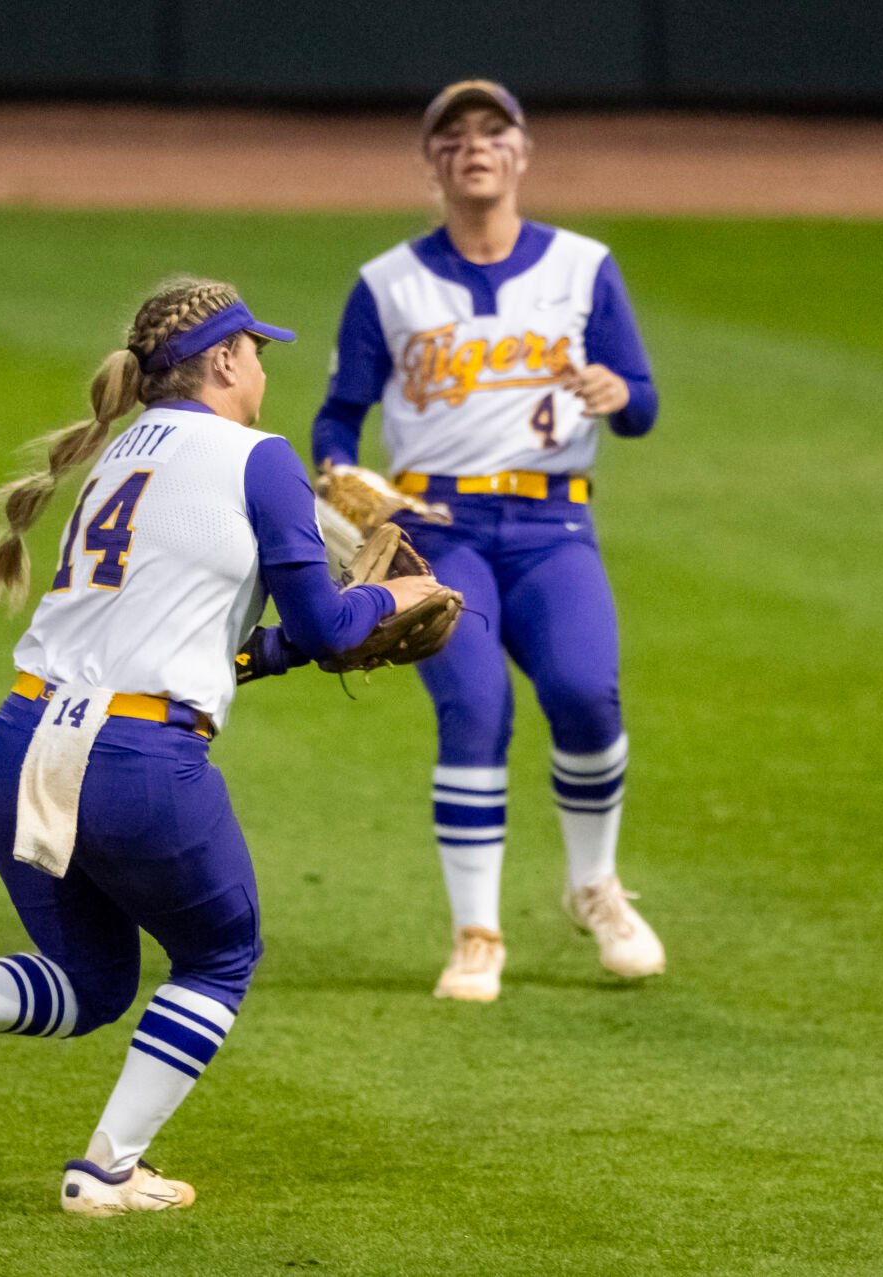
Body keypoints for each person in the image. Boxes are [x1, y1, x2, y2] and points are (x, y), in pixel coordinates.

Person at [0, 277, 443, 1215]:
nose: (261, 368)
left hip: (20, 744)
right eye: (255, 350)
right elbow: (331, 626)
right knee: (219, 954)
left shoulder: (121, 453)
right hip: (134, 762)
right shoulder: (261, 456)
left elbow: (226, 645)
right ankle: (106, 1170)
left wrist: (302, 640)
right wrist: (387, 601)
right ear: (223, 361)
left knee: (92, 980)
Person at [310, 80, 666, 1002]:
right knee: (474, 706)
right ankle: (477, 932)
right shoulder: (388, 283)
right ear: (431, 161)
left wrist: (618, 394)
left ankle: (595, 887)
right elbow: (338, 418)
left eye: (492, 131)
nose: (475, 146)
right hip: (437, 529)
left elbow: (643, 401)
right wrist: (343, 482)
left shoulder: (584, 267)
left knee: (586, 692)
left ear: (522, 152)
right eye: (454, 135)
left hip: (553, 524)